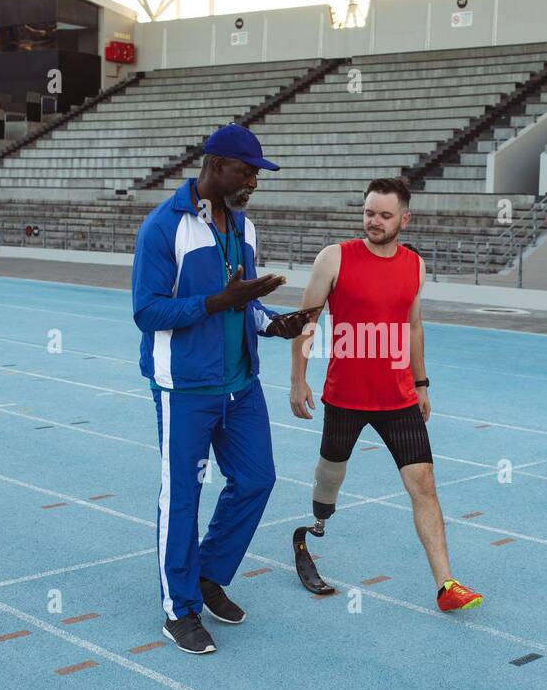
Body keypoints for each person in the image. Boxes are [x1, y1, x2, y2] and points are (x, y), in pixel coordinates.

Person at [132, 123, 310, 654]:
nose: (254, 181)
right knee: (183, 496)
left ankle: (208, 575)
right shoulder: (165, 227)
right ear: (214, 165)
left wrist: (274, 323)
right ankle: (179, 609)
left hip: (241, 385)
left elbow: (245, 304)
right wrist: (215, 303)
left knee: (257, 480)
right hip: (185, 386)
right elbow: (147, 311)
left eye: (257, 174)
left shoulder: (245, 227)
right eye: (247, 170)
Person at [288, 177, 483, 612]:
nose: (373, 222)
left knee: (425, 485)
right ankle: (317, 523)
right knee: (329, 476)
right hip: (345, 397)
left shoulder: (414, 265)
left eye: (384, 215)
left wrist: (421, 383)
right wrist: (297, 380)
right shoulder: (334, 258)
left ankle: (446, 585)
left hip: (398, 400)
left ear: (404, 219)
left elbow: (413, 326)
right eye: (368, 213)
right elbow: (306, 321)